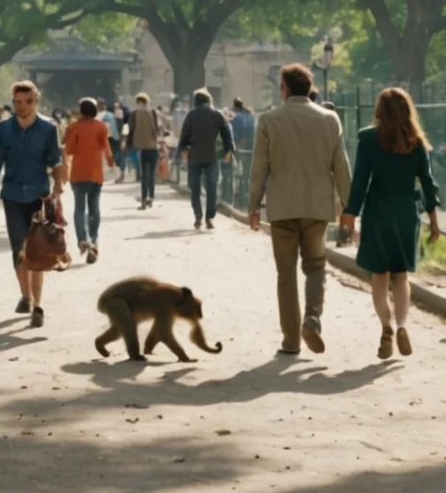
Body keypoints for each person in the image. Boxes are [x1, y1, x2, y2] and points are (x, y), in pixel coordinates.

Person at [248, 63, 351, 356]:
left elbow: (259, 169)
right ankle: (313, 318)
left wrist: (254, 206)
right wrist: (349, 206)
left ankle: (291, 340)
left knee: (286, 275)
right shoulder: (330, 120)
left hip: (282, 208)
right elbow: (341, 167)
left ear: (284, 89)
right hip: (317, 207)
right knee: (316, 266)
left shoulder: (269, 120)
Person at [339, 87, 442, 359]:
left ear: (379, 111)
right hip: (406, 212)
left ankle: (385, 326)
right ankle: (402, 325)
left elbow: (361, 180)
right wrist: (433, 218)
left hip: (377, 213)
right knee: (401, 276)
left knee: (379, 276)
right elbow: (429, 183)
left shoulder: (369, 139)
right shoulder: (417, 143)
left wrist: (350, 212)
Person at [0, 80, 65, 327]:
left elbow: (56, 161)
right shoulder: (2, 130)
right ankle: (26, 295)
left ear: (36, 101)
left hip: (39, 196)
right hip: (12, 196)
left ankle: (38, 306)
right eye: (18, 102)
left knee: (37, 250)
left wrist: (58, 190)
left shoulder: (48, 129)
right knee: (18, 249)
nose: (22, 106)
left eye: (28, 101)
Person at [62, 97, 113, 263]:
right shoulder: (101, 127)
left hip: (77, 173)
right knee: (94, 208)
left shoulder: (74, 127)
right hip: (95, 173)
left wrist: (70, 134)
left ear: (81, 112)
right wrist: (111, 161)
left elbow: (69, 150)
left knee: (79, 209)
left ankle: (82, 239)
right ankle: (93, 241)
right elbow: (106, 148)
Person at [177, 89, 235, 230]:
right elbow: (227, 134)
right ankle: (209, 218)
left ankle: (198, 217)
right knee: (212, 188)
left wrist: (183, 149)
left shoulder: (191, 115)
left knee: (195, 189)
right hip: (211, 156)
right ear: (209, 101)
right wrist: (229, 150)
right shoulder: (217, 114)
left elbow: (185, 134)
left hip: (195, 156)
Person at [129, 94, 164, 208]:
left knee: (144, 174)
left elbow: (131, 129)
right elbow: (160, 130)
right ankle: (151, 197)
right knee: (151, 174)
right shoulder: (154, 113)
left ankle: (144, 199)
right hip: (153, 148)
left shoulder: (134, 114)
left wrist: (129, 144)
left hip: (142, 149)